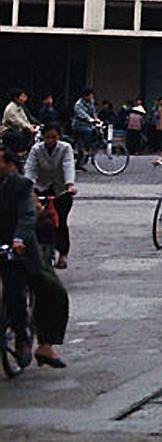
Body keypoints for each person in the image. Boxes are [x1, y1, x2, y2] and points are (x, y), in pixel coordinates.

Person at [0, 149, 69, 370]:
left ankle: (31, 340)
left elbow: (27, 216)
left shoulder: (20, 187)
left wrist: (19, 240)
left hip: (18, 252)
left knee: (31, 291)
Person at [22, 125, 75, 270]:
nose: (50, 140)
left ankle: (62, 254)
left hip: (61, 189)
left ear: (58, 137)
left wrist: (69, 185)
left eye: (54, 137)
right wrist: (27, 187)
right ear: (43, 137)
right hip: (40, 188)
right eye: (47, 137)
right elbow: (30, 169)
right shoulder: (36, 150)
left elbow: (68, 165)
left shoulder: (65, 148)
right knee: (34, 220)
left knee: (61, 222)